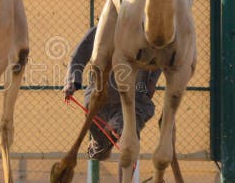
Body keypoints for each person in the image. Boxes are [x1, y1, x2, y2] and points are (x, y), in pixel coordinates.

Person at [63, 26, 161, 167]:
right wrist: (72, 81)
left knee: (129, 132)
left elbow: (159, 56)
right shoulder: (104, 28)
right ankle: (101, 143)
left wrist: (150, 83)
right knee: (101, 143)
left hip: (132, 98)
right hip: (99, 95)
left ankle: (125, 181)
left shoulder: (147, 32)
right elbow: (79, 55)